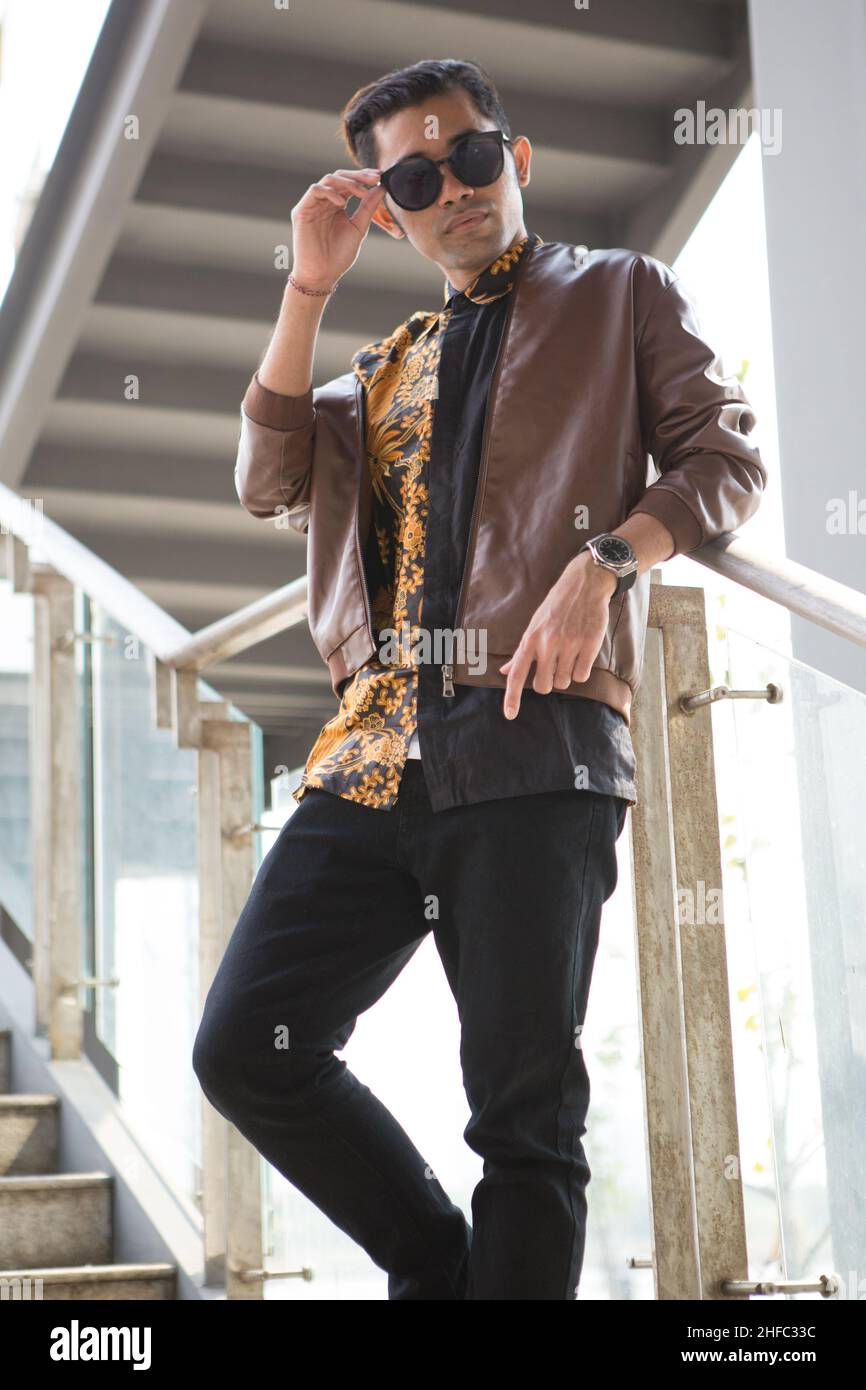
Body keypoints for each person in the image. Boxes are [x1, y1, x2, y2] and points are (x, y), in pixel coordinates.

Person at [192, 58, 766, 1300]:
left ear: (515, 159)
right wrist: (306, 286)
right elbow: (264, 481)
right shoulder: (376, 370)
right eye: (412, 175)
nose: (449, 185)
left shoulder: (618, 294)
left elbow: (720, 457)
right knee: (246, 1048)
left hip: (528, 746)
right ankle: (439, 1275)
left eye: (468, 155)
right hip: (370, 758)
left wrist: (605, 560)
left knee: (521, 1111)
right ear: (387, 208)